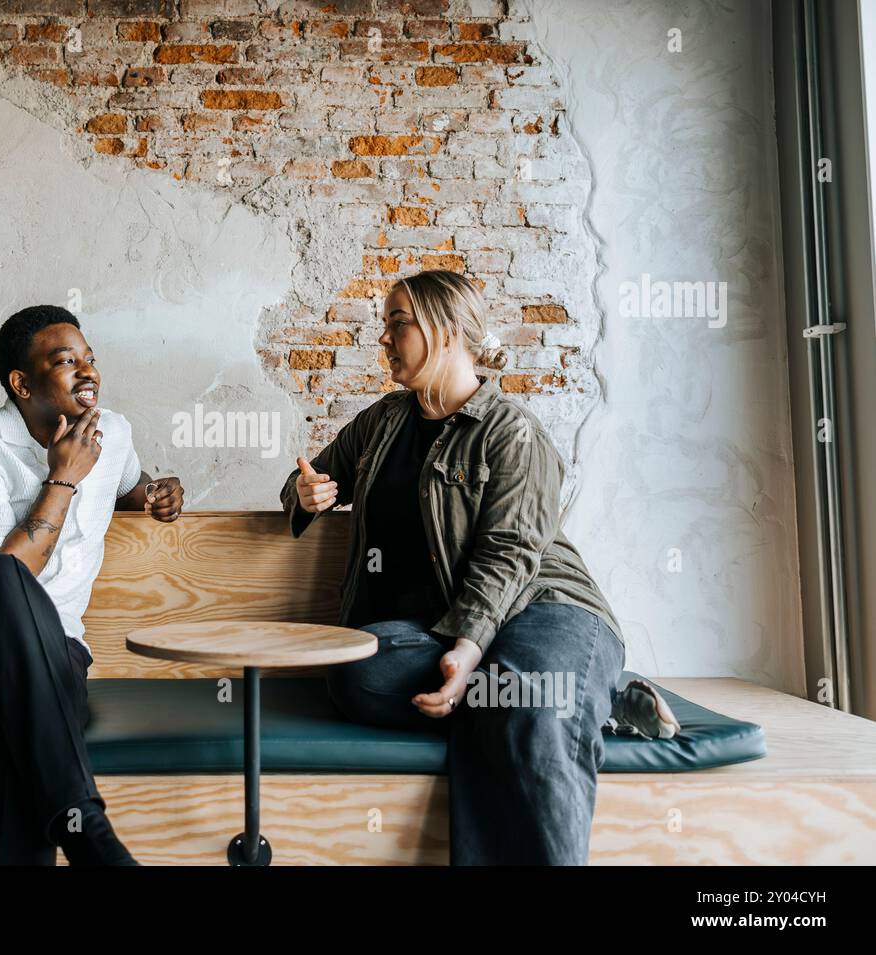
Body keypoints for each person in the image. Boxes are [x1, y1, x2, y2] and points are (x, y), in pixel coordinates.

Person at [280, 269, 669, 865]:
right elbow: (307, 481)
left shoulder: (511, 432)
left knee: (527, 709)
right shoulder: (382, 424)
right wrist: (306, 495)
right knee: (356, 673)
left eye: (397, 324)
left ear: (449, 330)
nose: (383, 339)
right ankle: (589, 694)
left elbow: (509, 555)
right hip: (441, 623)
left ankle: (561, 688)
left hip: (540, 608)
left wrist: (468, 649)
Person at [0, 304, 184, 865]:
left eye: (90, 359)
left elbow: (129, 482)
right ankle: (91, 835)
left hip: (45, 658)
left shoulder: (109, 434)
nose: (87, 372)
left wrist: (158, 492)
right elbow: (0, 586)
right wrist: (63, 479)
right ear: (22, 384)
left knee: (2, 723)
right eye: (67, 362)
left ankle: (90, 841)